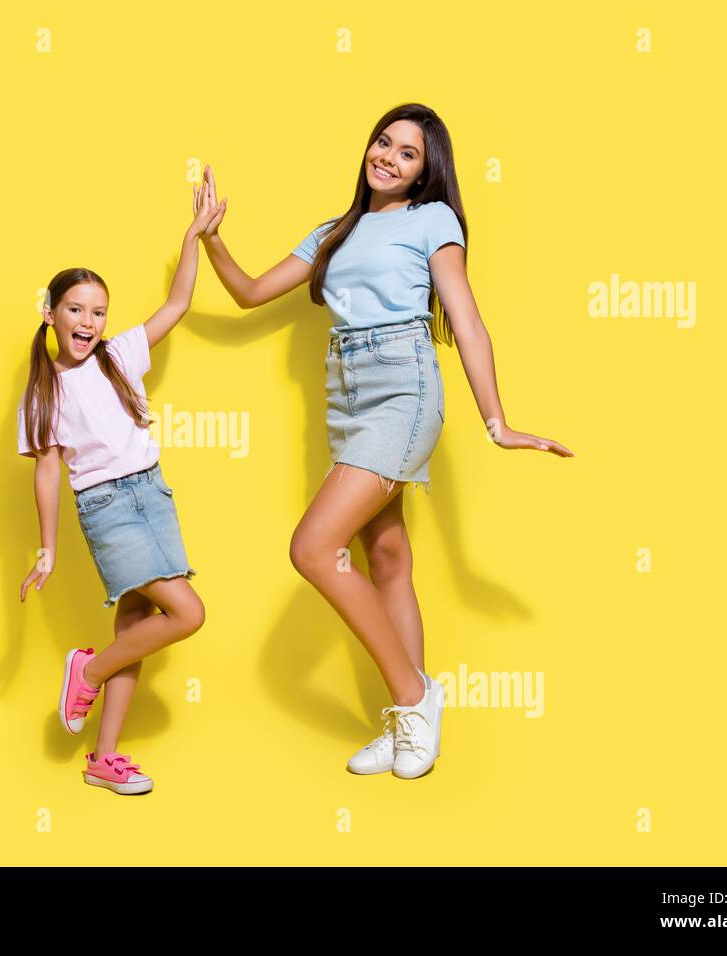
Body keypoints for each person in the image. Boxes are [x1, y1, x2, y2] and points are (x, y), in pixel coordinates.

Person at [196, 103, 574, 779]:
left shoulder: (433, 221)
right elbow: (252, 293)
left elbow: (466, 318)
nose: (389, 158)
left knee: (313, 547)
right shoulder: (334, 232)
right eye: (383, 142)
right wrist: (211, 239)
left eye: (408, 154)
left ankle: (415, 696)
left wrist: (498, 421)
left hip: (404, 386)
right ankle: (408, 729)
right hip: (345, 392)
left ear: (425, 175)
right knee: (389, 557)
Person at [16, 181, 220, 794]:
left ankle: (103, 759)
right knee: (188, 613)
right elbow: (48, 468)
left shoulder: (118, 356)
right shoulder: (43, 391)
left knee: (136, 627)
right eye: (76, 309)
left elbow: (177, 303)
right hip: (106, 508)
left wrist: (194, 238)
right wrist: (47, 548)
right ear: (50, 314)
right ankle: (88, 670)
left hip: (153, 495)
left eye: (98, 311)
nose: (89, 321)